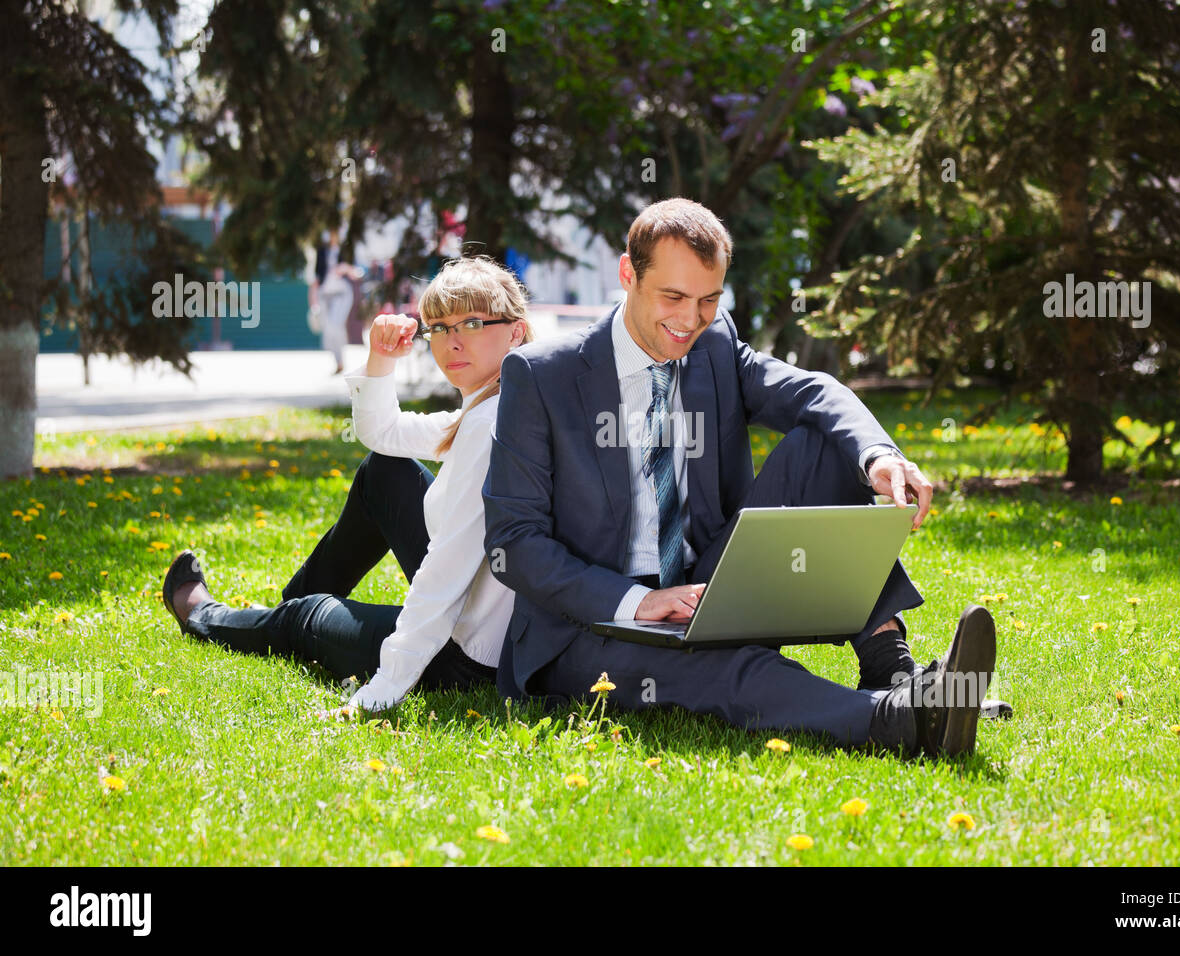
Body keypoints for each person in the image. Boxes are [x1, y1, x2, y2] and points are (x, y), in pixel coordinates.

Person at [483, 198, 1006, 758]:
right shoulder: (541, 375)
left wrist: (879, 457)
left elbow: (813, 391)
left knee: (825, 444)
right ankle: (903, 718)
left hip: (710, 585)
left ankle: (889, 668)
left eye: (709, 299)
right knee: (726, 668)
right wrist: (639, 602)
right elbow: (515, 542)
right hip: (588, 629)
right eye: (674, 297)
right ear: (627, 274)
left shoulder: (713, 344)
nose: (690, 320)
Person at [161, 256, 534, 715]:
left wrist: (384, 687)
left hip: (466, 655)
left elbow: (446, 572)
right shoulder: (497, 405)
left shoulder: (488, 426)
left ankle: (205, 617)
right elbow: (385, 434)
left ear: (515, 331)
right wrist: (381, 358)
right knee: (385, 470)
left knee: (309, 618)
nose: (451, 342)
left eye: (472, 323)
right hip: (490, 619)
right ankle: (284, 616)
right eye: (438, 327)